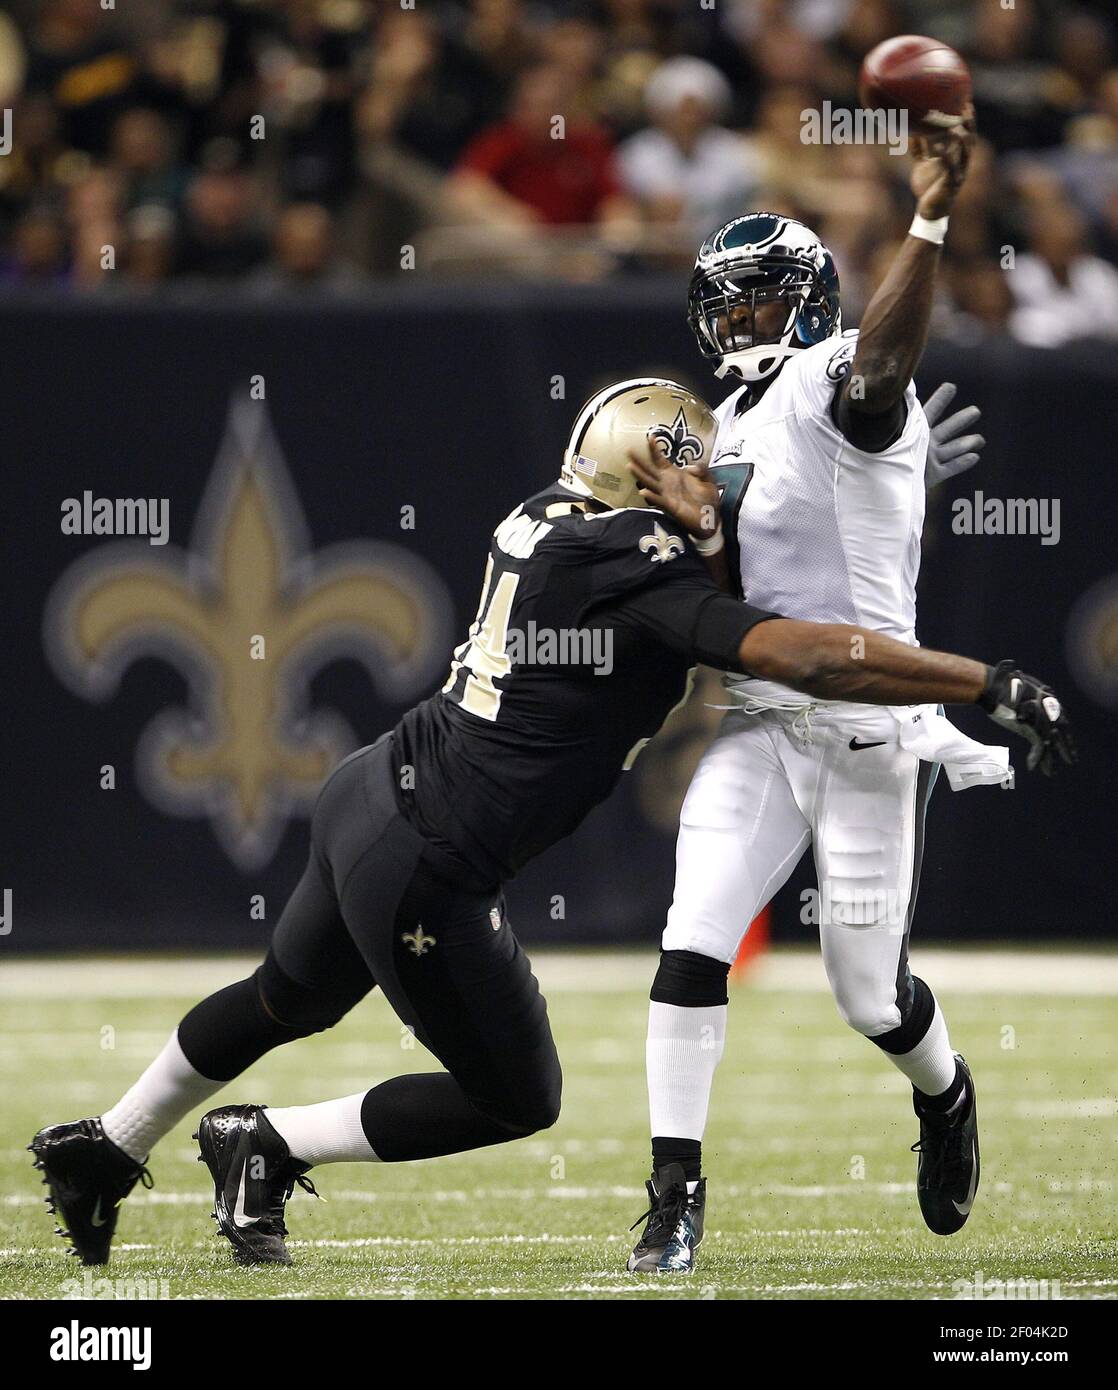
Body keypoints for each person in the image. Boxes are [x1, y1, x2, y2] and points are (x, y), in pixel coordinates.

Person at [31, 379, 1071, 1268]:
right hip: (430, 860)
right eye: (704, 474)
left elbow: (711, 575)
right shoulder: (632, 569)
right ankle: (267, 1141)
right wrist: (981, 678)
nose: (723, 491)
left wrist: (875, 506)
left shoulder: (559, 517)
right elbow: (796, 650)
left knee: (281, 998)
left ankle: (106, 1147)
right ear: (646, 479)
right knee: (516, 1097)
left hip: (372, 788)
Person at [626, 108, 1068, 1275]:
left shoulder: (836, 364)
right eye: (727, 302)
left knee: (866, 996)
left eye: (763, 299)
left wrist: (926, 214)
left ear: (812, 299)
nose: (741, 321)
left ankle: (946, 1092)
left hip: (873, 723)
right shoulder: (719, 423)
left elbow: (875, 376)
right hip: (768, 720)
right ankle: (672, 1193)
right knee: (691, 938)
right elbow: (742, 584)